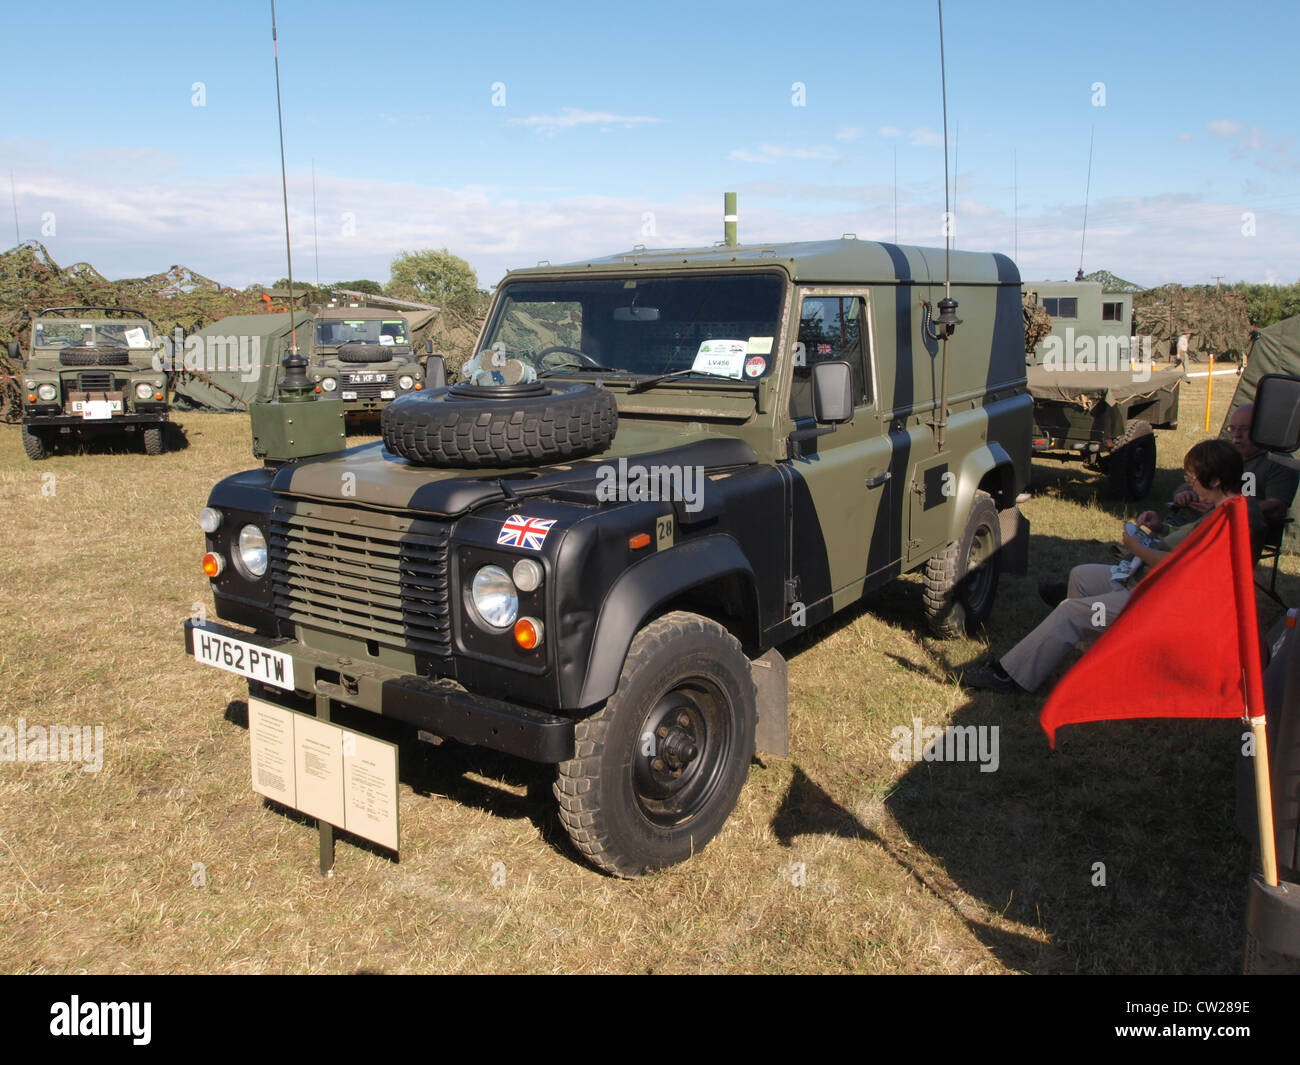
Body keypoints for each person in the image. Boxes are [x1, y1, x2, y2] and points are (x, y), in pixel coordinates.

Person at [962, 440, 1250, 695]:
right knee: (1082, 576)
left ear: (1214, 480)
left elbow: (1179, 566)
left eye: (1193, 477)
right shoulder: (1222, 509)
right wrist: (1160, 528)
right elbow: (1185, 547)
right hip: (1151, 584)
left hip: (1162, 599)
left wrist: (1138, 547)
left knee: (1069, 612)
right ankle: (1095, 658)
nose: (1190, 484)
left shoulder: (1225, 520)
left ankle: (1010, 675)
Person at [1170, 402, 1298, 528]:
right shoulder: (1226, 454)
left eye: (1244, 429)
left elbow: (1276, 507)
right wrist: (1183, 495)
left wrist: (1222, 509)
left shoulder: (1279, 462)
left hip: (1234, 528)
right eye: (1232, 429)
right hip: (1191, 522)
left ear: (1261, 430)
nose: (1237, 435)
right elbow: (1192, 482)